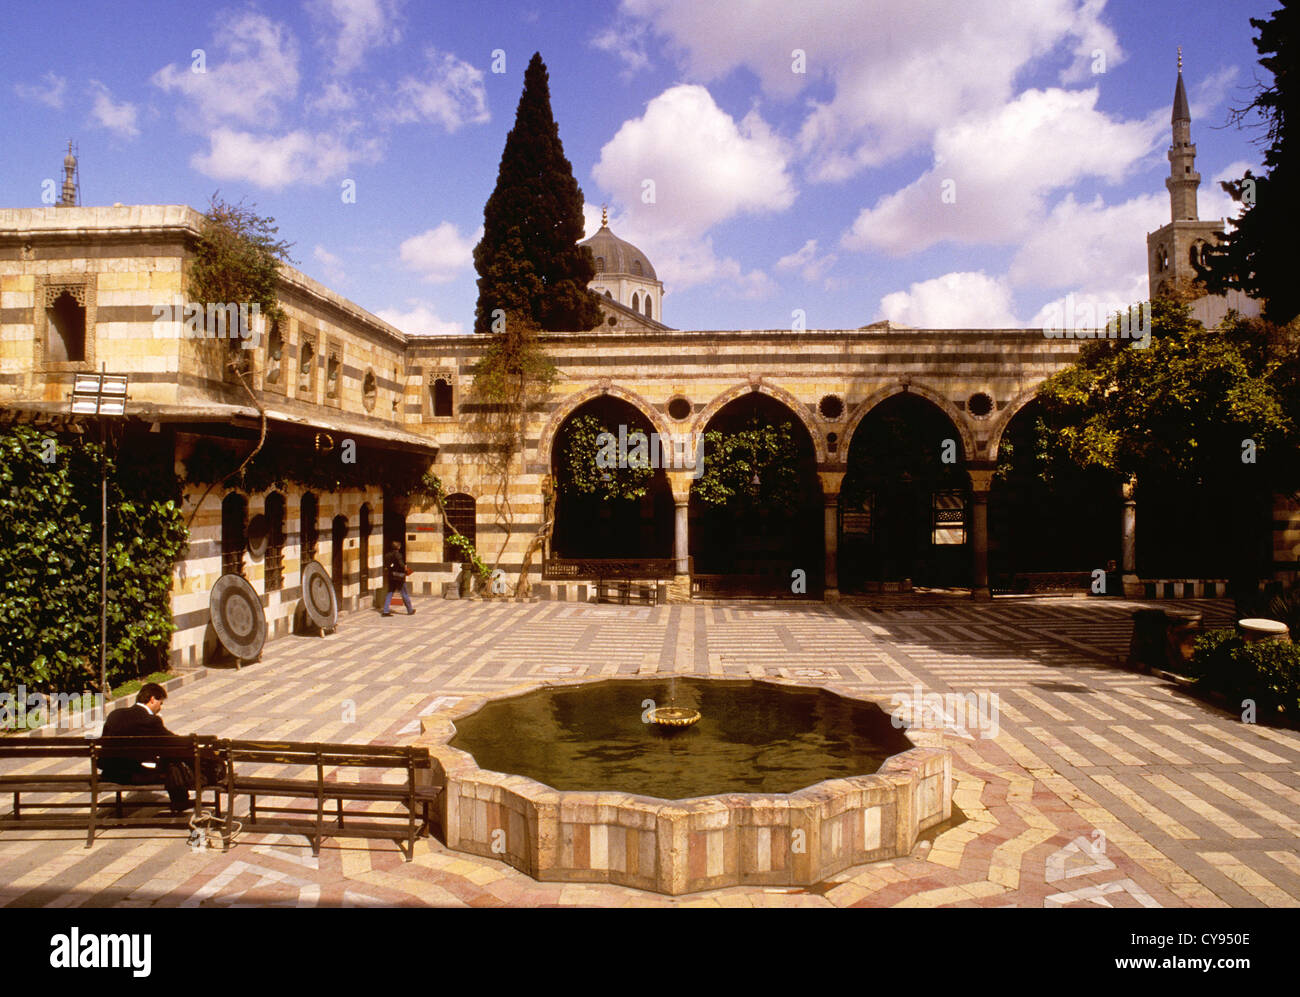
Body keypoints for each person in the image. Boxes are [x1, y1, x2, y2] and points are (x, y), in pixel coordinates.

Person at [98, 682, 193, 813]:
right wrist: (192, 741)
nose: (160, 708)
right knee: (172, 764)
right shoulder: (150, 720)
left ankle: (181, 801)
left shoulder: (115, 714)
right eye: (161, 703)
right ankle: (181, 801)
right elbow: (172, 741)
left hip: (111, 773)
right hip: (132, 775)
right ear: (153, 699)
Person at [383, 540, 415, 616]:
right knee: (404, 593)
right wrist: (405, 568)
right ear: (398, 547)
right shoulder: (398, 555)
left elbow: (386, 566)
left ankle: (385, 611)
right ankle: (410, 610)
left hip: (391, 576)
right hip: (399, 577)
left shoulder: (387, 555)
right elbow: (401, 565)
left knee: (390, 592)